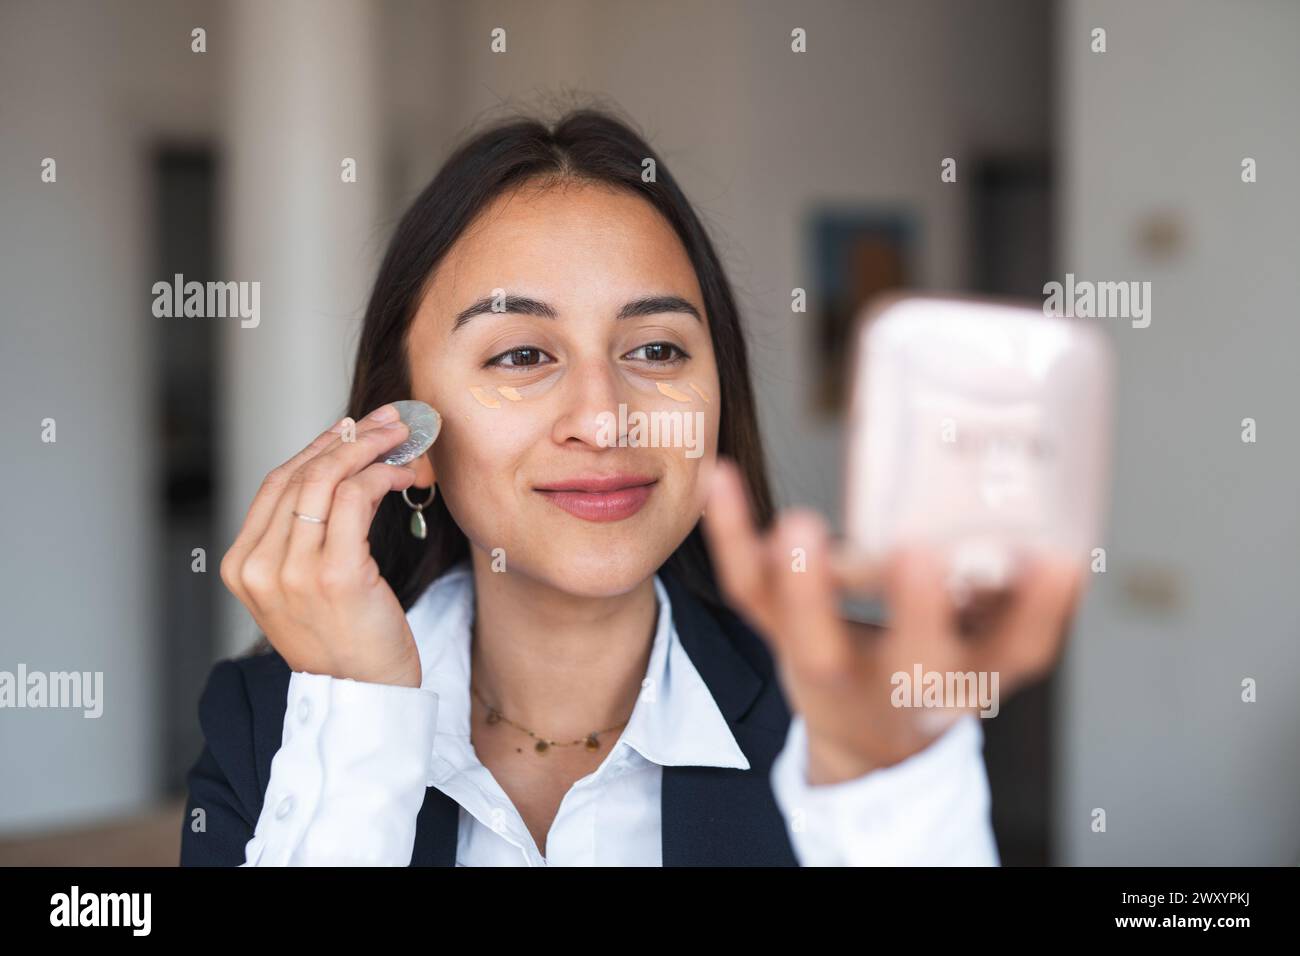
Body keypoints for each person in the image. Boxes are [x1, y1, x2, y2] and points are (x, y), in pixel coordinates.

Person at [180, 106, 1082, 866]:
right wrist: (359, 725)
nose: (606, 419)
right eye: (523, 354)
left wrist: (893, 793)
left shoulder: (846, 717)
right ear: (402, 429)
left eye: (656, 350)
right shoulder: (269, 724)